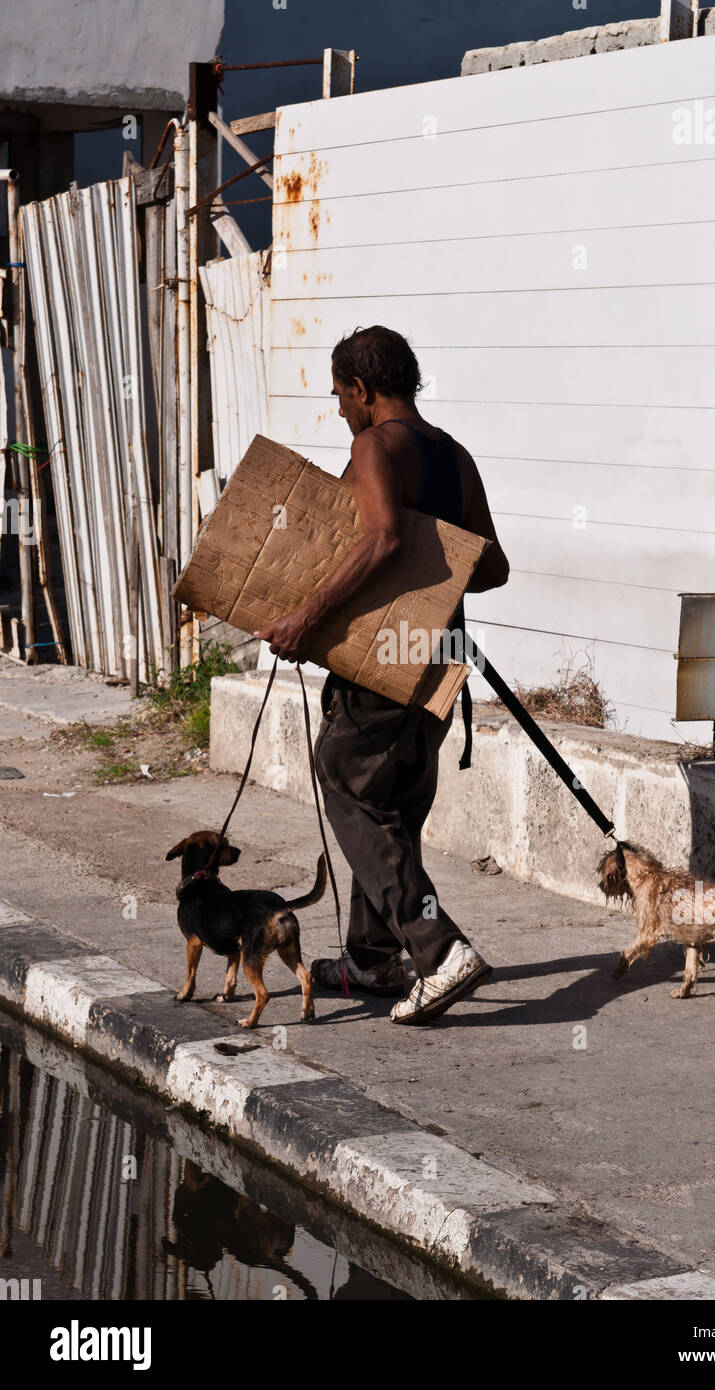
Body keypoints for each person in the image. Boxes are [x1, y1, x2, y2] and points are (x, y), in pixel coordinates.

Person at [257, 326, 509, 1024]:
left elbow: (382, 538)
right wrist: (436, 545)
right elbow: (490, 566)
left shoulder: (374, 446)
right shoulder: (453, 456)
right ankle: (371, 958)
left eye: (340, 396)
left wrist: (306, 617)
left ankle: (437, 951)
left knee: (347, 782)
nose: (339, 410)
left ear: (362, 389)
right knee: (392, 809)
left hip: (385, 654)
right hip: (438, 657)